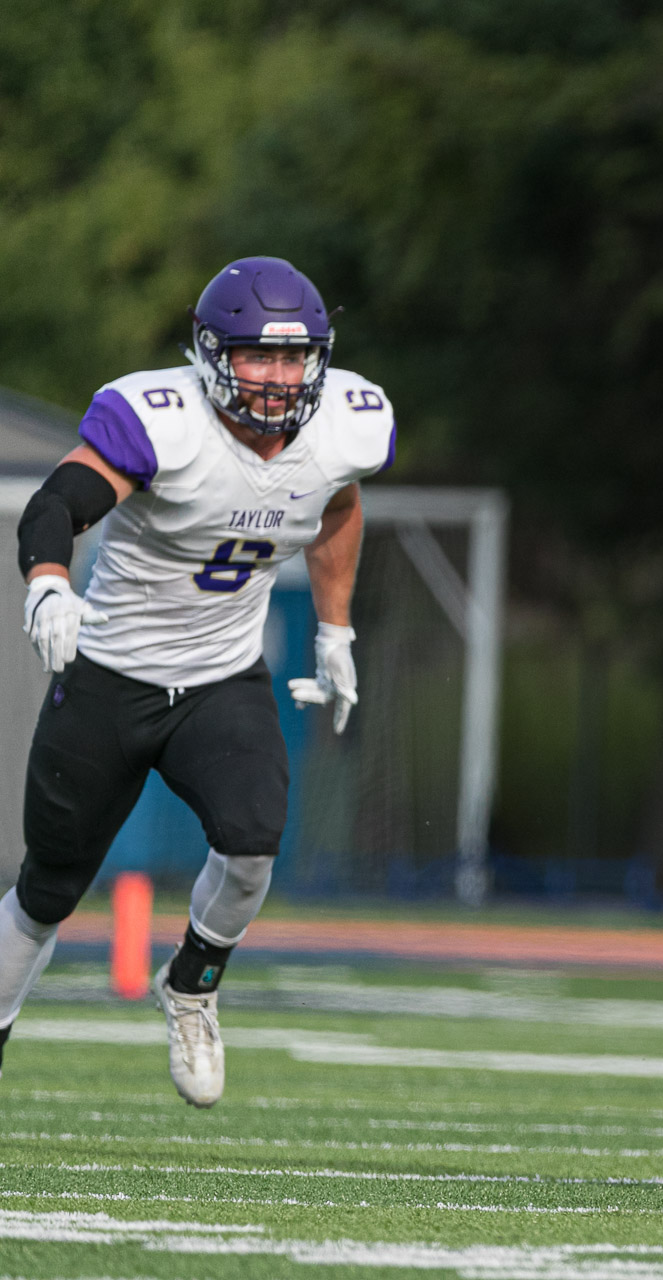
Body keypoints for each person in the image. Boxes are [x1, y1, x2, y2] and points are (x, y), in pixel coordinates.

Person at [0, 256, 393, 1107]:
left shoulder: (345, 426)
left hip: (221, 676)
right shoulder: (159, 419)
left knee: (253, 842)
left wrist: (335, 629)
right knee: (48, 890)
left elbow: (336, 505)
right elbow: (56, 503)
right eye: (259, 356)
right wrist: (47, 581)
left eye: (295, 359)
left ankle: (192, 985)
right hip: (110, 673)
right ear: (211, 353)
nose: (279, 378)